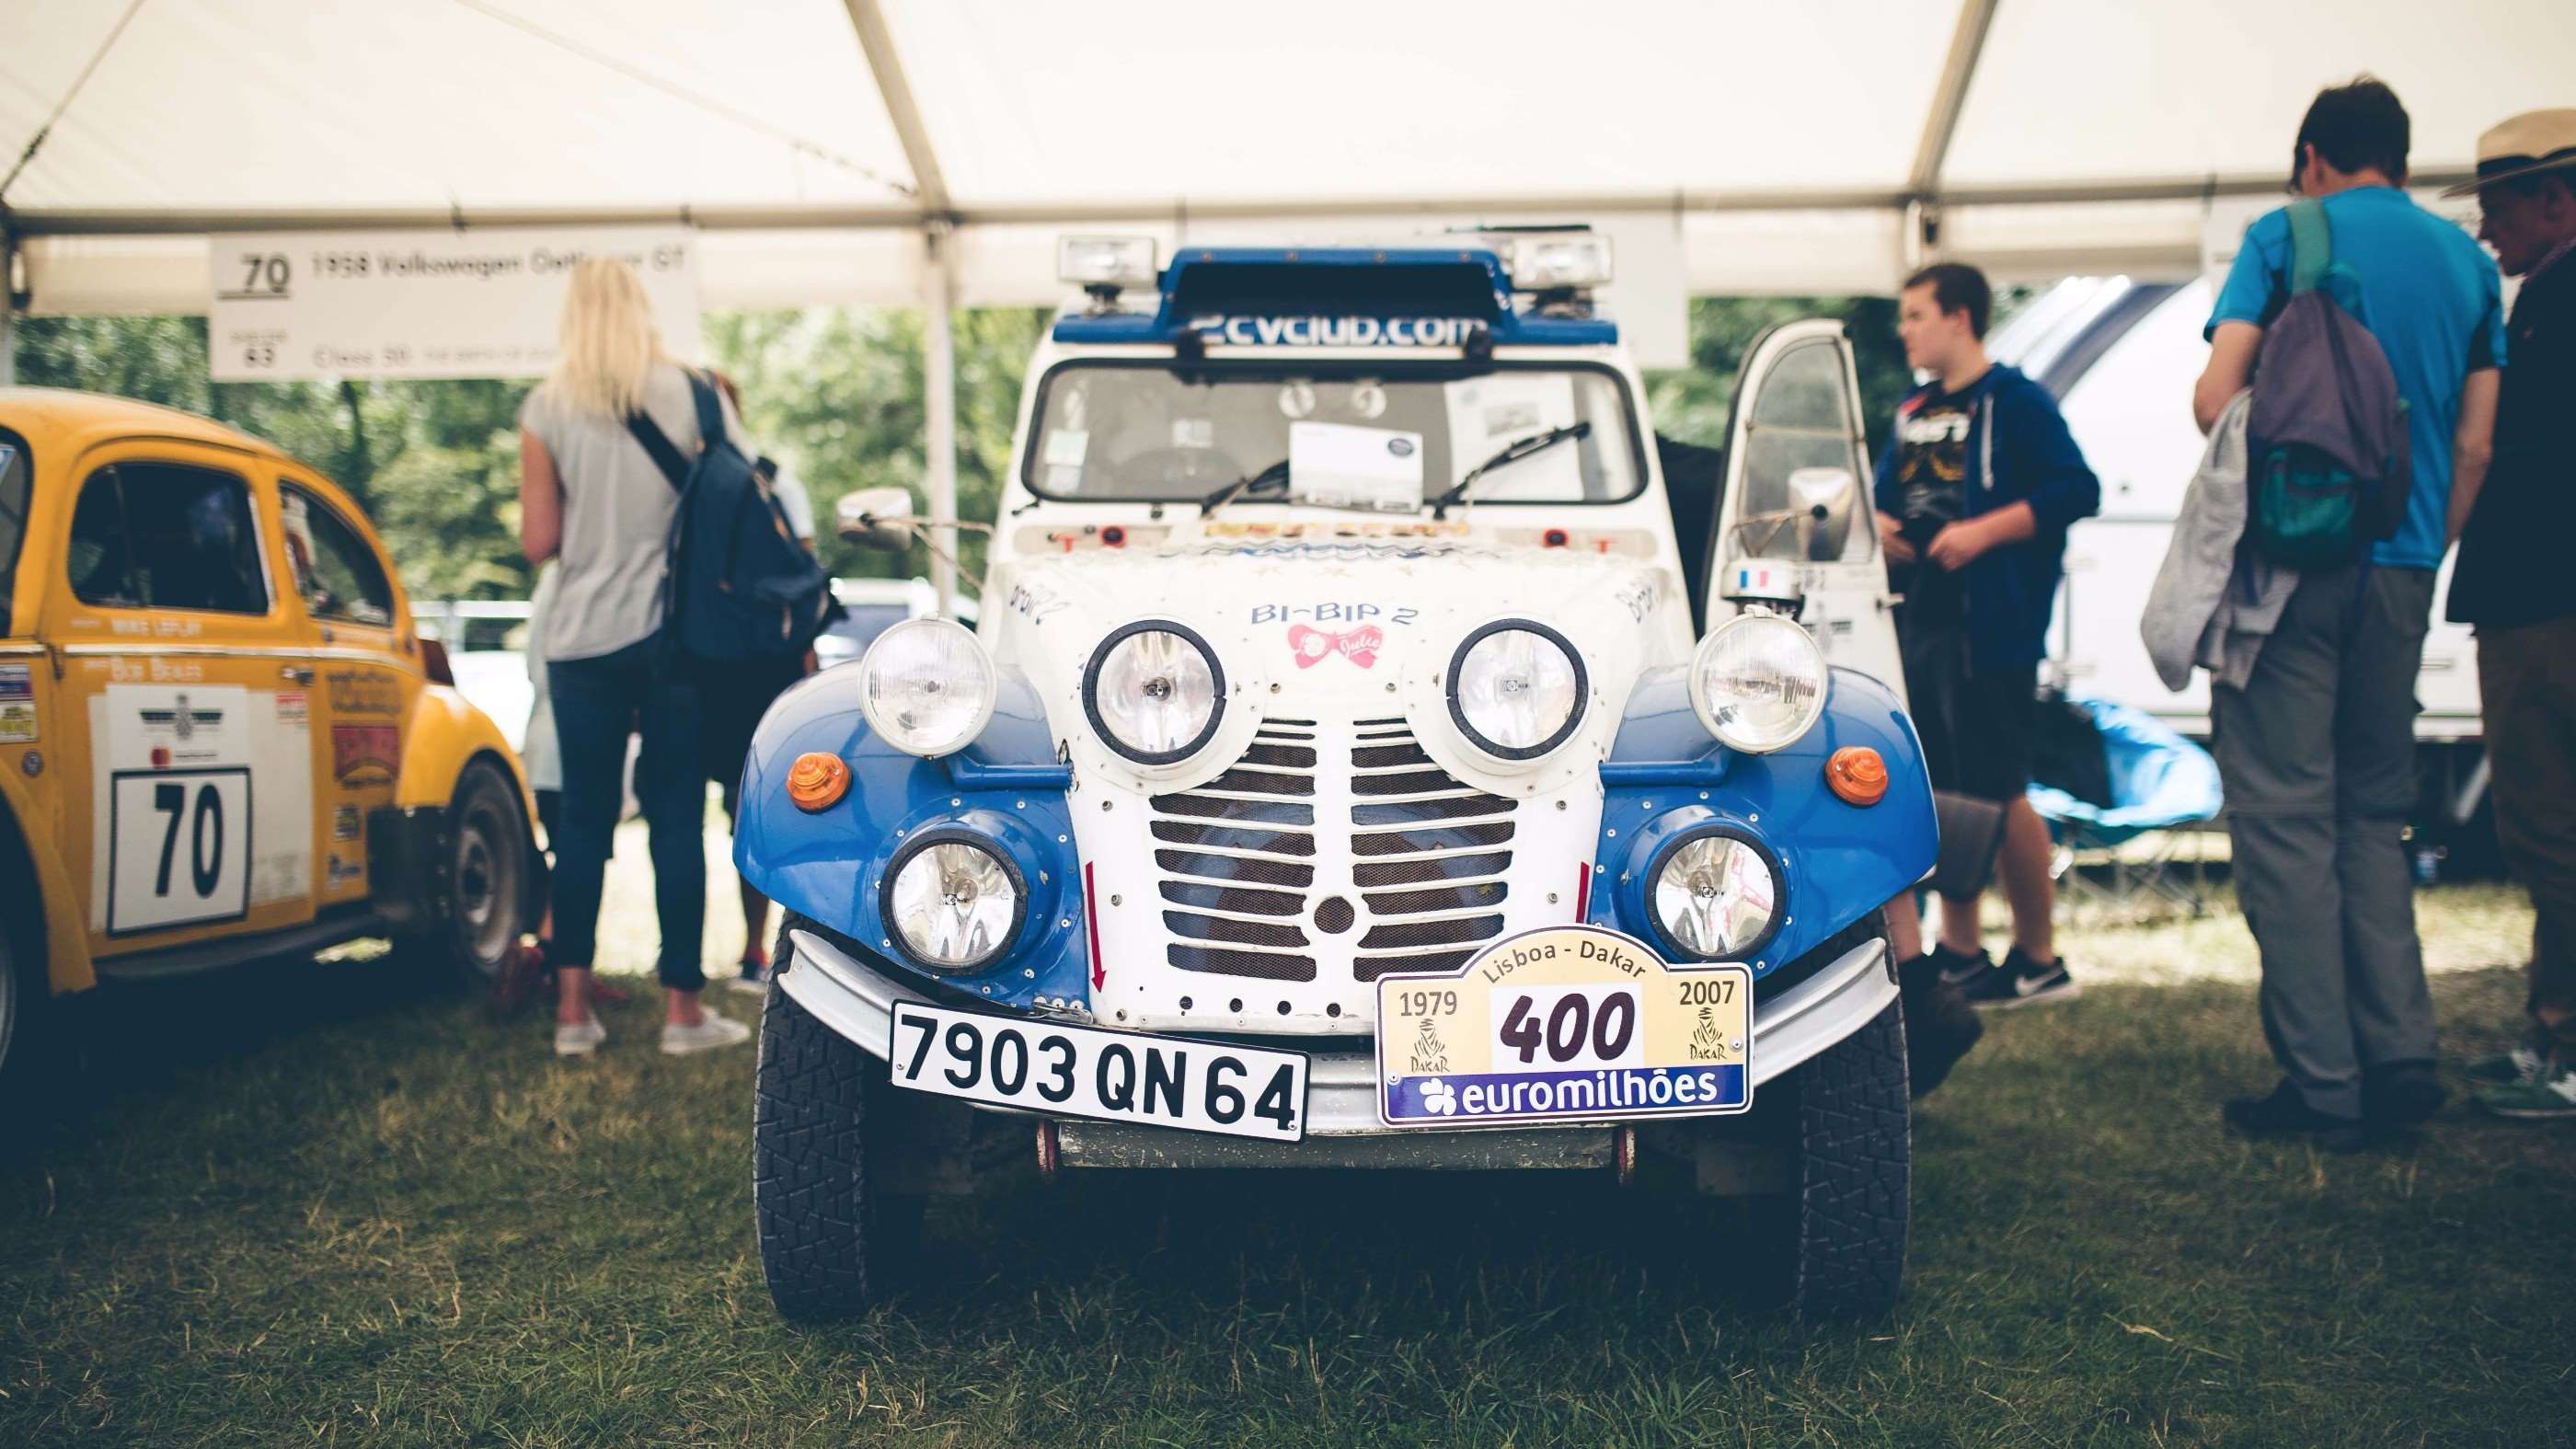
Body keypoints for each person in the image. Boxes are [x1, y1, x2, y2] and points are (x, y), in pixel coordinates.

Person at [2191, 77, 2504, 1147]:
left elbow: (2212, 401)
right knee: (2375, 815)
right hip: (2407, 563)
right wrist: (2419, 540)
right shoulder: (2470, 261)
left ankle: (2323, 1084)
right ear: (2403, 163)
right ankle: (2400, 1050)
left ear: (2313, 156)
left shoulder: (2286, 235)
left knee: (2284, 821)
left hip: (2295, 560)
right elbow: (2475, 445)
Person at [519, 256, 753, 1058]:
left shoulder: (547, 406)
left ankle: (573, 1013)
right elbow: (738, 502)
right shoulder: (696, 392)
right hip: (675, 641)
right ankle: (683, 1011)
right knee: (677, 818)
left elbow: (540, 539)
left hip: (580, 642)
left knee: (583, 823)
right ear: (643, 311)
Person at [1873, 261, 2101, 1016]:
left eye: (1915, 315)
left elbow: (2076, 489)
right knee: (1944, 793)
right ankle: (1962, 951)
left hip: (1993, 628)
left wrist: (1981, 534)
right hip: (1919, 623)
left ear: (1960, 318)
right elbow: (1880, 497)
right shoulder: (1912, 408)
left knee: (2004, 790)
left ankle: (2039, 958)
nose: (1904, 329)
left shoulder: (2018, 400)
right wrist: (1881, 529)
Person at [2442, 109, 2576, 1120]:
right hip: (2540, 599)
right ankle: (2549, 1030)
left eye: (2498, 211)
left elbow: (2503, 454)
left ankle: (2564, 1048)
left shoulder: (2556, 302)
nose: (2488, 234)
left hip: (2542, 605)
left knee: (2550, 827)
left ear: (2553, 200)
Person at [702, 372, 819, 995]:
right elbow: (806, 581)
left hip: (728, 667)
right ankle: (754, 949)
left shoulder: (741, 483)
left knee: (747, 810)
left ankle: (755, 947)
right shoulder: (773, 481)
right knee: (749, 809)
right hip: (760, 668)